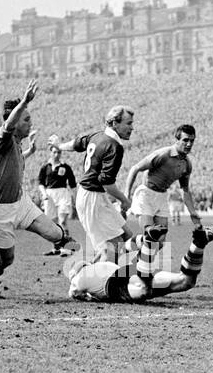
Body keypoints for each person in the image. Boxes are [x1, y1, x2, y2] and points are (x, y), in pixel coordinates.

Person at [0, 80, 76, 299]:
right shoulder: (3, 139)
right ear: (15, 121)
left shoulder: (17, 145)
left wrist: (31, 150)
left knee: (57, 233)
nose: (31, 122)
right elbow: (7, 126)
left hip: (21, 204)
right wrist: (25, 101)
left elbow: (14, 163)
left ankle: (85, 270)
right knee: (6, 260)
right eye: (26, 119)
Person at [51, 105, 139, 263]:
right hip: (91, 198)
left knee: (127, 236)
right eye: (128, 123)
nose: (132, 128)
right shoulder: (114, 146)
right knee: (113, 248)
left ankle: (120, 278)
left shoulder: (97, 136)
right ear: (114, 123)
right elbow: (107, 183)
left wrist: (59, 146)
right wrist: (124, 200)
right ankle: (86, 282)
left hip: (93, 195)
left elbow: (76, 144)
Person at [67, 223, 213, 303]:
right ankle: (199, 243)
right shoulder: (103, 260)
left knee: (144, 289)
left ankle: (150, 244)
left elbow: (74, 294)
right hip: (125, 271)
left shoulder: (77, 279)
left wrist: (89, 297)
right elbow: (127, 245)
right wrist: (141, 239)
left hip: (114, 285)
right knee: (185, 282)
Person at [124, 124, 203, 271]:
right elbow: (135, 168)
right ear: (177, 139)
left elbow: (185, 190)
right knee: (150, 235)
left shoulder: (186, 164)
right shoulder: (163, 154)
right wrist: (126, 196)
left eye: (192, 141)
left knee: (159, 242)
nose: (189, 144)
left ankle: (132, 256)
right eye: (185, 140)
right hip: (146, 195)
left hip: (162, 197)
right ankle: (139, 267)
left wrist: (193, 213)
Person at [37, 145, 78, 255]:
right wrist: (44, 193)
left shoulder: (65, 167)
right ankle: (56, 248)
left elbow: (73, 184)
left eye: (59, 152)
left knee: (63, 221)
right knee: (52, 224)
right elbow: (40, 183)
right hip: (49, 195)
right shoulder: (45, 167)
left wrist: (76, 199)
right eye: (54, 152)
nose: (57, 155)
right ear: (50, 152)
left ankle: (67, 248)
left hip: (63, 194)